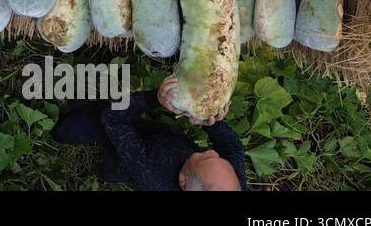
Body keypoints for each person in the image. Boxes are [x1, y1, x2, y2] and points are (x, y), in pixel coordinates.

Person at [51, 76, 247, 191]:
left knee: (88, 122)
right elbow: (233, 148)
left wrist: (153, 98)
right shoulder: (229, 182)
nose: (212, 152)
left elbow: (112, 117)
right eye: (221, 160)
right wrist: (212, 124)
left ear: (183, 179)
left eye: (204, 159)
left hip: (130, 158)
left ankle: (63, 128)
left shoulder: (148, 170)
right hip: (161, 139)